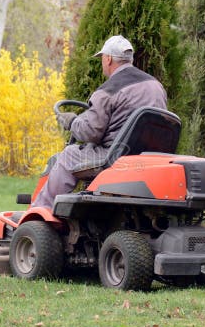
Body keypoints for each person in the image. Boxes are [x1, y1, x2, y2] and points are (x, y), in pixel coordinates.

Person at [31, 35, 168, 209]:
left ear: (108, 59)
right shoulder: (155, 85)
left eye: (102, 58)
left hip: (115, 156)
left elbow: (90, 132)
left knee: (69, 154)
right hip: (150, 156)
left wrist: (73, 121)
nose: (102, 62)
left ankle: (40, 213)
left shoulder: (108, 90)